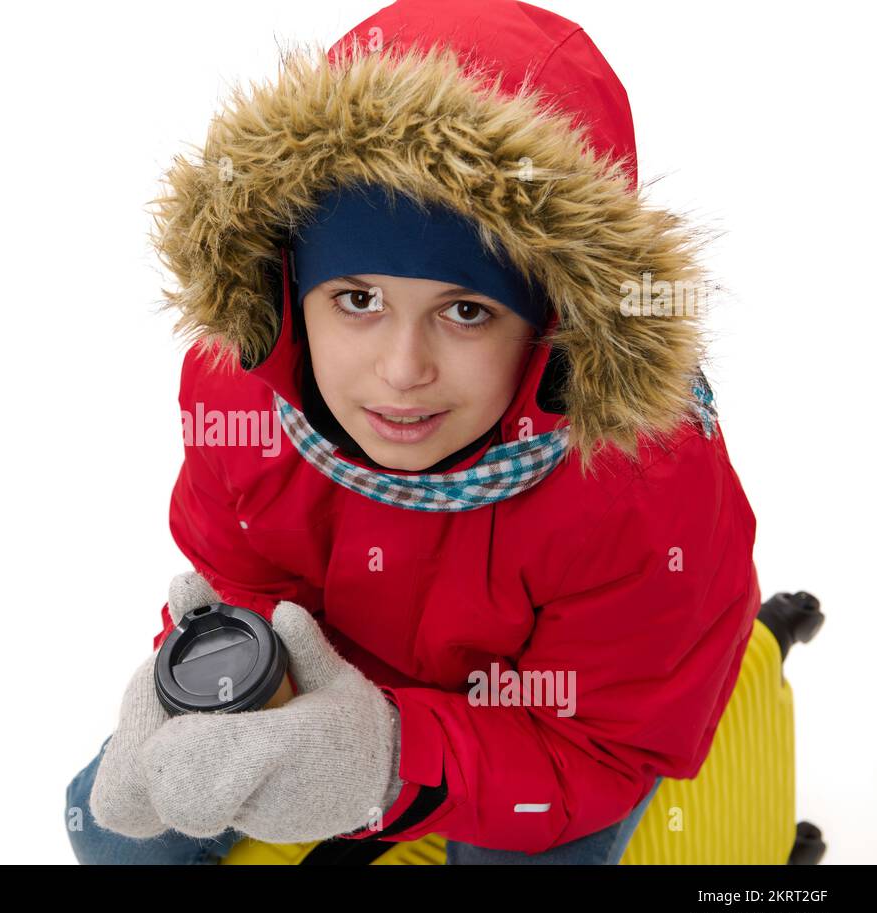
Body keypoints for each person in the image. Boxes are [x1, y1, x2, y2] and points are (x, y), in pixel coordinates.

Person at [66, 0, 760, 863]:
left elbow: (601, 743)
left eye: (467, 311)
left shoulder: (638, 480)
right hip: (348, 669)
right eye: (356, 299)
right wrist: (207, 687)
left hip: (547, 727)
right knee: (113, 827)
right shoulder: (243, 395)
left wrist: (390, 761)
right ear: (292, 292)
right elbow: (243, 576)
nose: (401, 371)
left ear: (558, 323)